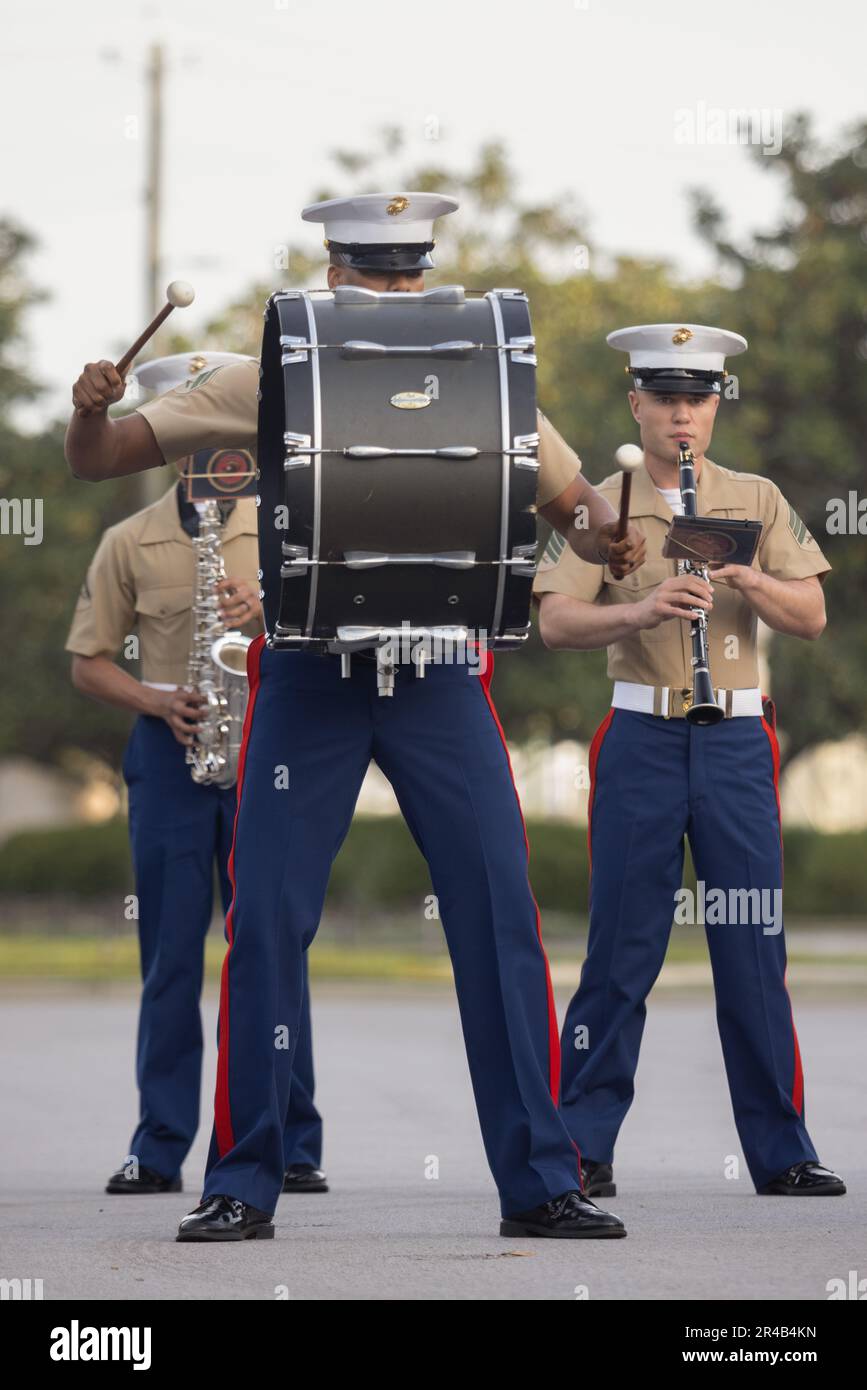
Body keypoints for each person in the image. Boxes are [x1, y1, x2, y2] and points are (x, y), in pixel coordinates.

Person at [66, 193, 646, 1242]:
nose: (394, 289)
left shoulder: (486, 373)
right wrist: (90, 408)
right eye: (374, 272)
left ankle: (541, 1180)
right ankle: (242, 1181)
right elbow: (98, 460)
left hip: (439, 679)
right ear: (332, 274)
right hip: (308, 680)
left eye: (410, 271)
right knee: (267, 927)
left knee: (502, 922)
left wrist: (615, 538)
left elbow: (583, 519)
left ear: (430, 276)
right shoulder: (267, 373)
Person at [534, 322, 845, 1200]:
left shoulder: (755, 496)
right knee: (621, 950)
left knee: (752, 948)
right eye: (664, 399)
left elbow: (811, 617)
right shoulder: (596, 502)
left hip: (738, 742)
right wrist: (638, 614)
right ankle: (582, 1145)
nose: (681, 415)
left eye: (696, 400)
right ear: (635, 402)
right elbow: (554, 622)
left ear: (714, 409)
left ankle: (780, 1151)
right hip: (641, 738)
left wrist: (744, 577)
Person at [65, 352, 326, 1198]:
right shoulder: (127, 541)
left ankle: (291, 1142)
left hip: (269, 760)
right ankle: (159, 1142)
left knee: (274, 951)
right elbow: (86, 662)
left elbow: (328, 630)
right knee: (171, 959)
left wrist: (271, 615)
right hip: (172, 762)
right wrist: (152, 697)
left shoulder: (291, 524)